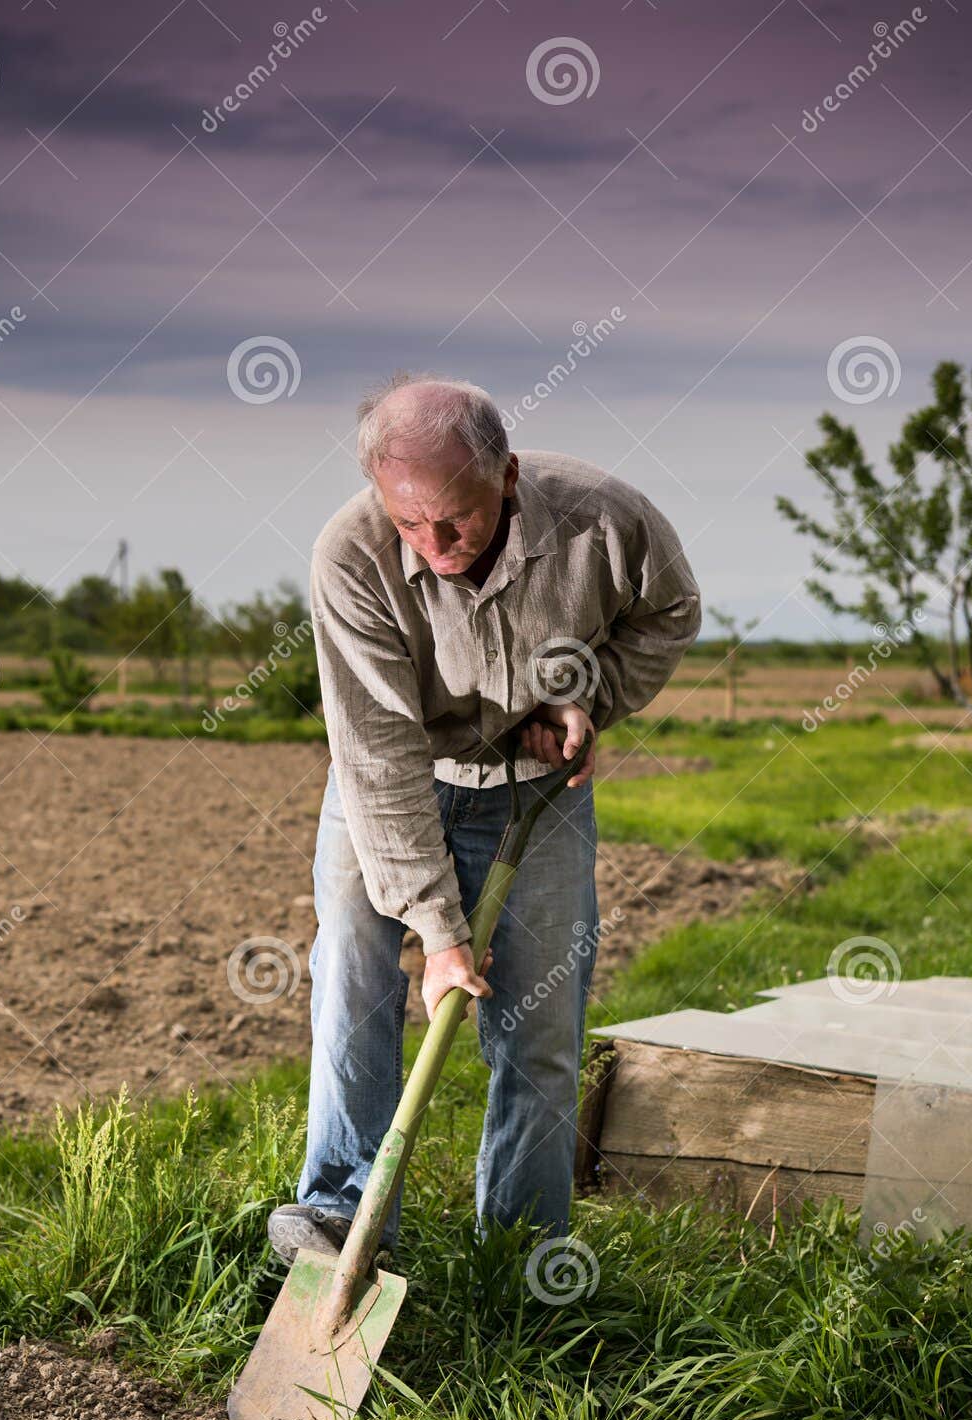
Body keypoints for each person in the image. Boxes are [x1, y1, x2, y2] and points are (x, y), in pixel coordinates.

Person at [267, 372, 701, 1265]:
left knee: (540, 1022)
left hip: (533, 792)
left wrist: (591, 696)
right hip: (393, 785)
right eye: (409, 524)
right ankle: (343, 1220)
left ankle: (518, 1251)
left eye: (455, 519)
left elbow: (669, 613)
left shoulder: (602, 521)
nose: (434, 545)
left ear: (505, 476)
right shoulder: (349, 557)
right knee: (355, 983)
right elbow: (378, 752)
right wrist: (437, 932)